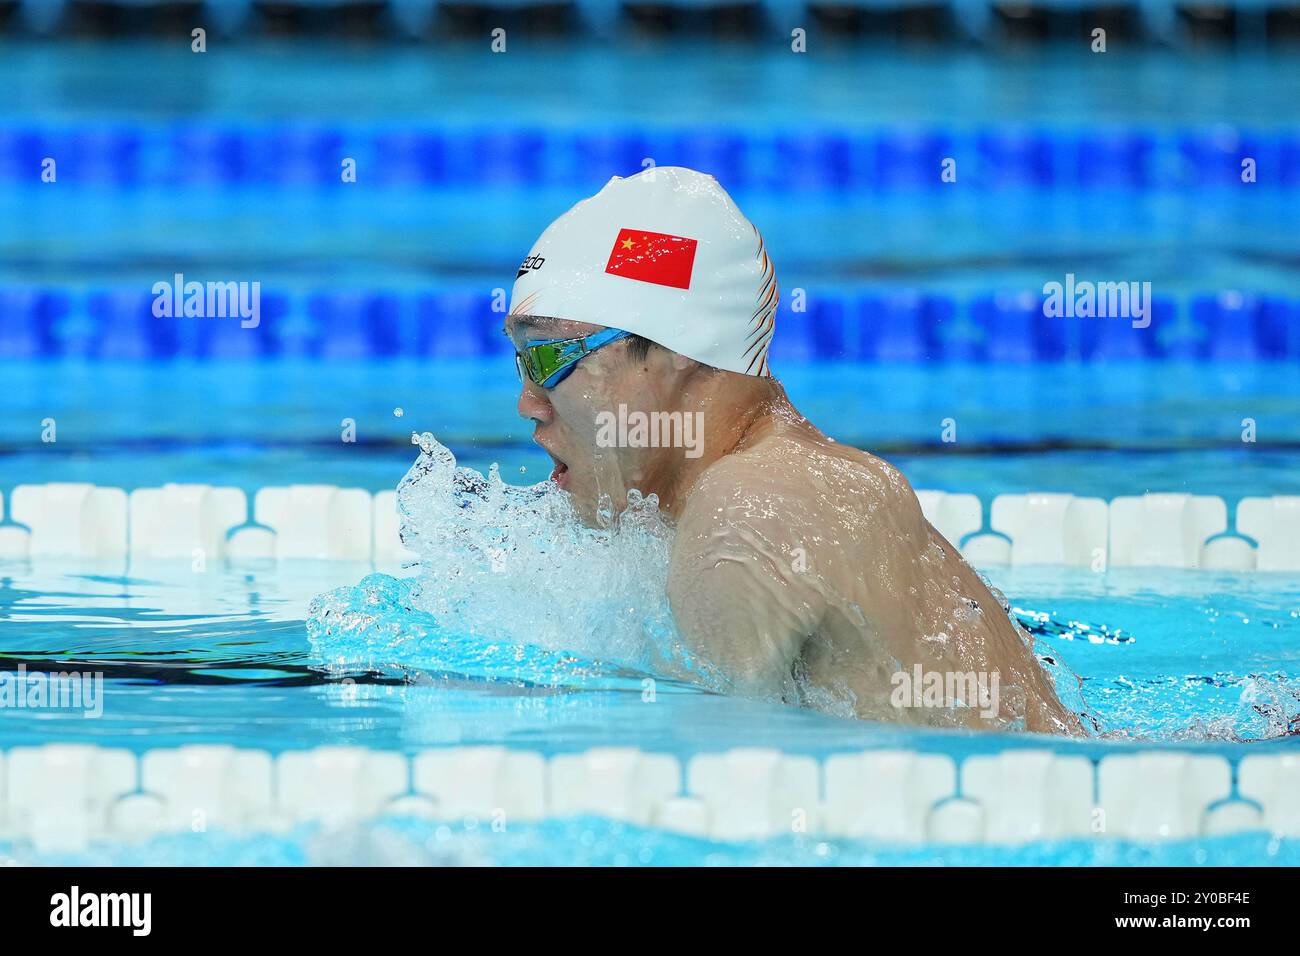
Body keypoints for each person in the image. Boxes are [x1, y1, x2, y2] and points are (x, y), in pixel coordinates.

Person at [503, 166, 1080, 735]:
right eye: (520, 359)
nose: (529, 402)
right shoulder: (793, 482)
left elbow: (732, 791)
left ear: (672, 349)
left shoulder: (745, 512)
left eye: (549, 358)